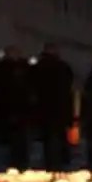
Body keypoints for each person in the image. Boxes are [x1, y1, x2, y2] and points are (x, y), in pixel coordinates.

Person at [29, 43, 75, 171]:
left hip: (42, 110)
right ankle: (59, 165)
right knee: (58, 139)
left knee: (45, 139)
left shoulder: (37, 68)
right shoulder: (63, 67)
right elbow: (68, 90)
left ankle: (47, 165)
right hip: (60, 110)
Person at [0, 45, 32, 169]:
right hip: (13, 108)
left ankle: (20, 161)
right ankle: (17, 161)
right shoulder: (5, 69)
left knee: (21, 137)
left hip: (20, 108)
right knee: (15, 137)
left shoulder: (19, 68)